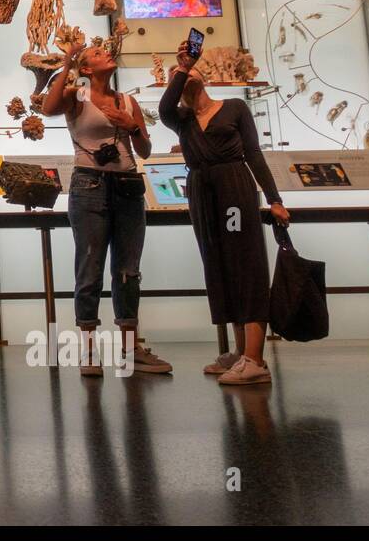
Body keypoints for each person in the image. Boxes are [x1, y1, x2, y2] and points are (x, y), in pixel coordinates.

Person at [159, 41, 291, 386]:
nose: (181, 74)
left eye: (186, 70)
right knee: (218, 263)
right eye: (175, 74)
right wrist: (182, 68)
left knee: (245, 261)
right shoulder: (181, 120)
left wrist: (274, 199)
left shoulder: (233, 107)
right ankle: (239, 351)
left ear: (204, 75)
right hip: (202, 191)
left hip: (233, 185)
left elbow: (254, 155)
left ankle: (255, 359)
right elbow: (163, 106)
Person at [42, 43, 172, 377]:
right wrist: (68, 60)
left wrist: (131, 125)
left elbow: (144, 149)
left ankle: (130, 350)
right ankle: (88, 350)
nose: (106, 55)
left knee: (128, 270)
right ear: (86, 69)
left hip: (128, 186)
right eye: (98, 55)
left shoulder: (127, 101)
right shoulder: (78, 96)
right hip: (89, 187)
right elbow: (48, 107)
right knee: (89, 268)